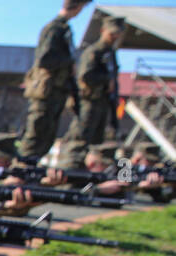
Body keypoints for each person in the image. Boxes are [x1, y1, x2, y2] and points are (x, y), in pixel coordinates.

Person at [19, 1, 88, 162]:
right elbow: (45, 59)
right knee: (35, 137)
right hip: (46, 92)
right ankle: (22, 171)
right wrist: (69, 62)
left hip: (56, 91)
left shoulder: (64, 29)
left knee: (46, 138)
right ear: (77, 7)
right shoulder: (55, 28)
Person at [65, 15, 126, 148]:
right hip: (90, 102)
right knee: (80, 140)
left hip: (104, 102)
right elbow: (85, 76)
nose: (115, 37)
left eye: (118, 34)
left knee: (96, 144)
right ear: (103, 31)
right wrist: (106, 79)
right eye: (112, 33)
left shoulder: (111, 53)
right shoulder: (94, 51)